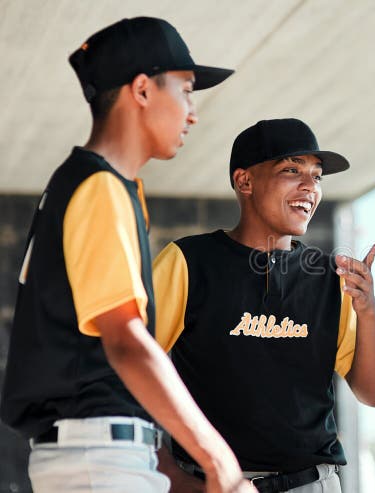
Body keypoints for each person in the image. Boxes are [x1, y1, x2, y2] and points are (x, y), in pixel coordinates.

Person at [0, 17, 255, 493]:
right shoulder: (99, 187)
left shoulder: (95, 184)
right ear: (142, 89)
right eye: (186, 90)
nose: (193, 112)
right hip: (98, 457)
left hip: (99, 455)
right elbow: (126, 341)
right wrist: (219, 459)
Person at [151, 118, 375, 492]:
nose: (309, 186)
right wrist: (171, 473)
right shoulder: (188, 261)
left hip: (314, 483)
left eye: (317, 176)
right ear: (244, 181)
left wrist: (369, 309)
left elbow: (374, 392)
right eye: (291, 170)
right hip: (213, 485)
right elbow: (131, 371)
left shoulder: (330, 277)